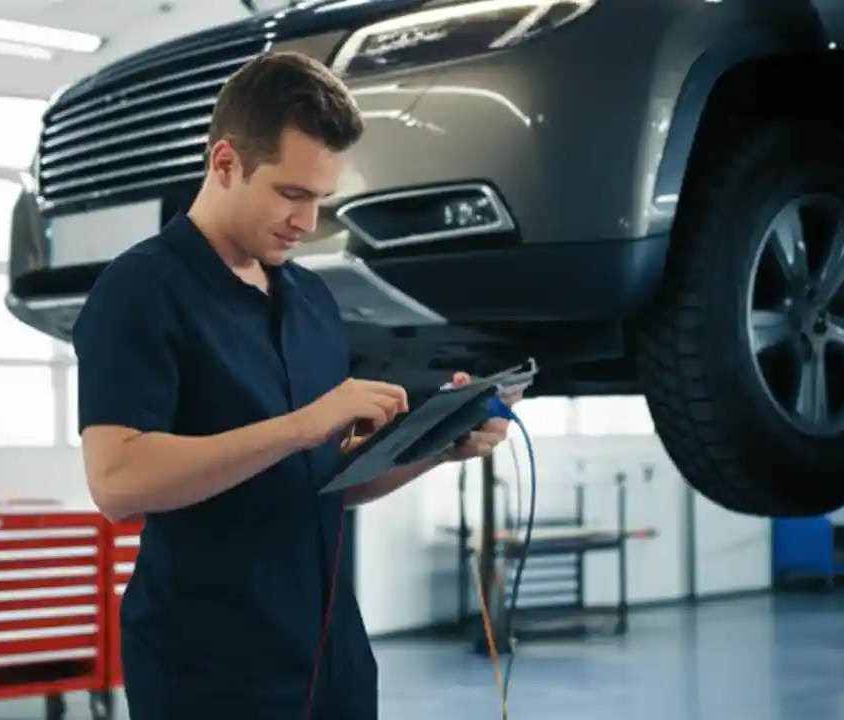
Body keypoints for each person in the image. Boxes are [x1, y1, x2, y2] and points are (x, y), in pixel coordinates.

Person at [73, 51, 525, 720]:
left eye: (321, 199)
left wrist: (438, 445)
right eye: (291, 194)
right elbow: (117, 481)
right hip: (208, 673)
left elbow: (326, 483)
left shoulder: (312, 301)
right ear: (225, 163)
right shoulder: (140, 291)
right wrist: (298, 427)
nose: (309, 222)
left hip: (331, 657)